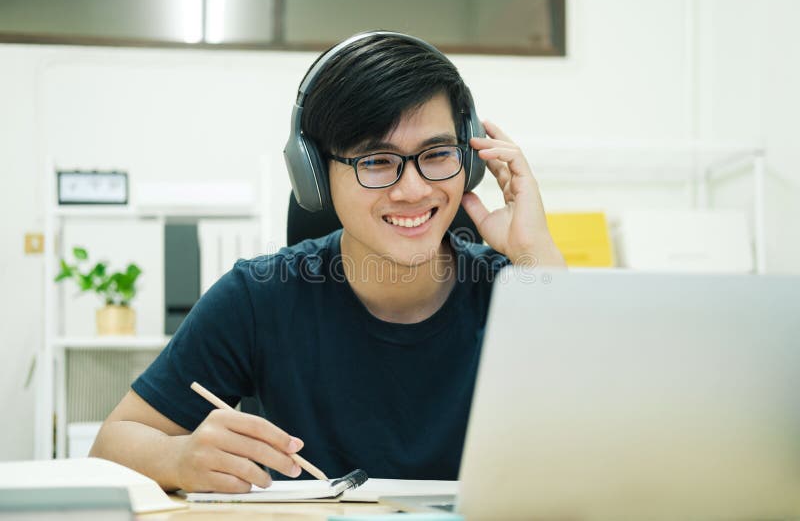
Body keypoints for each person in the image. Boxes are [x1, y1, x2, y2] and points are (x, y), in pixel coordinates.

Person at [90, 31, 565, 493]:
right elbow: (113, 442)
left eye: (437, 154)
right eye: (377, 161)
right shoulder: (259, 297)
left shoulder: (515, 289)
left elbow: (618, 432)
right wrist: (177, 458)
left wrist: (535, 254)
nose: (415, 189)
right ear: (314, 174)